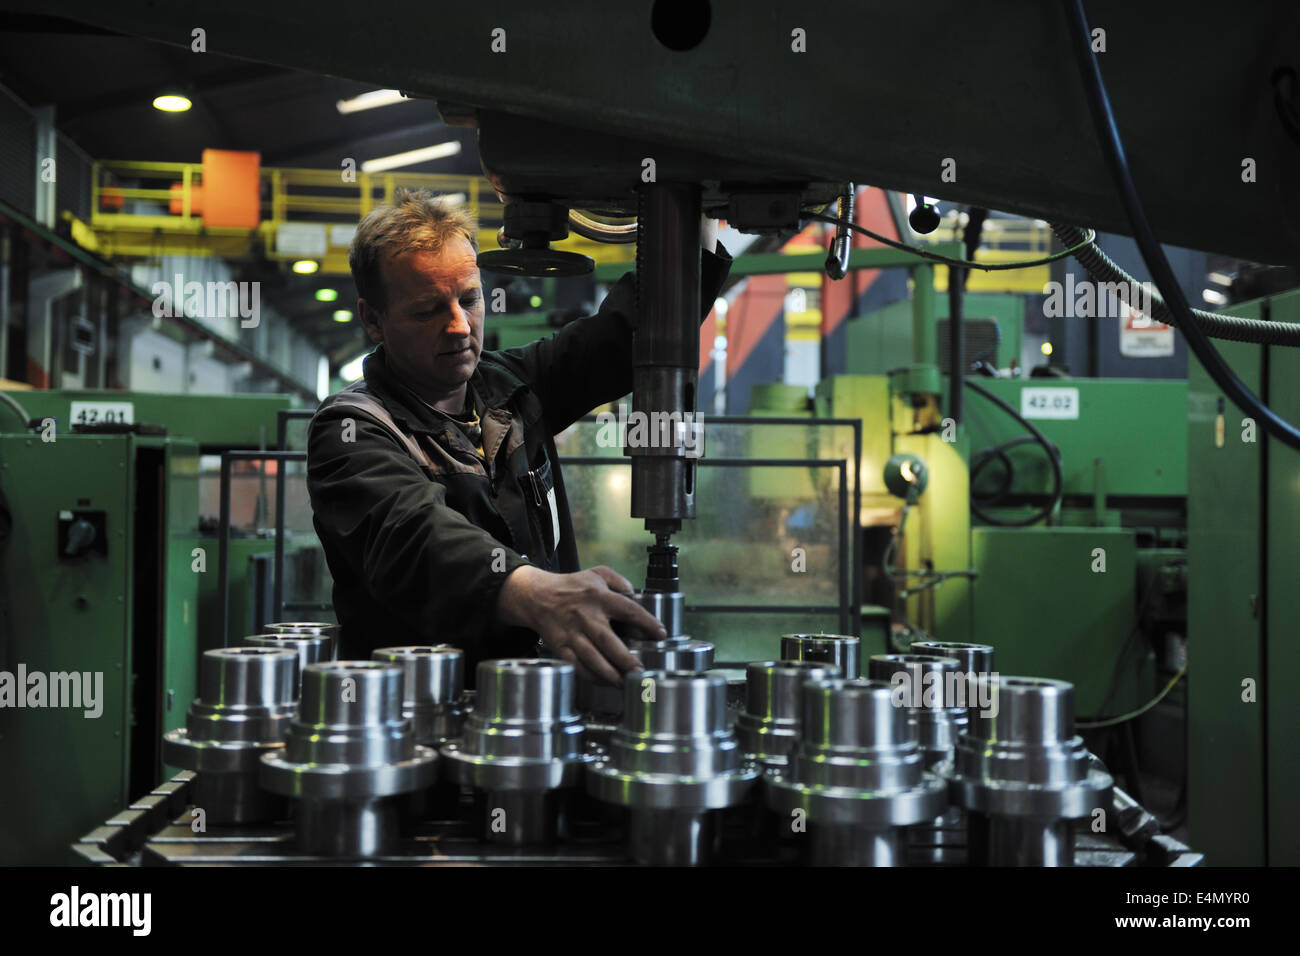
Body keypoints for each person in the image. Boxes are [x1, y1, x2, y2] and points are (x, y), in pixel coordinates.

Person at [307, 189, 731, 686]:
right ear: (372, 319)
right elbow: (414, 538)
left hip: (535, 705)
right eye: (427, 311)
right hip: (416, 721)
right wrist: (535, 592)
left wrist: (694, 210)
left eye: (469, 299)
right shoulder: (352, 431)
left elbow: (623, 334)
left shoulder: (514, 388)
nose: (459, 326)